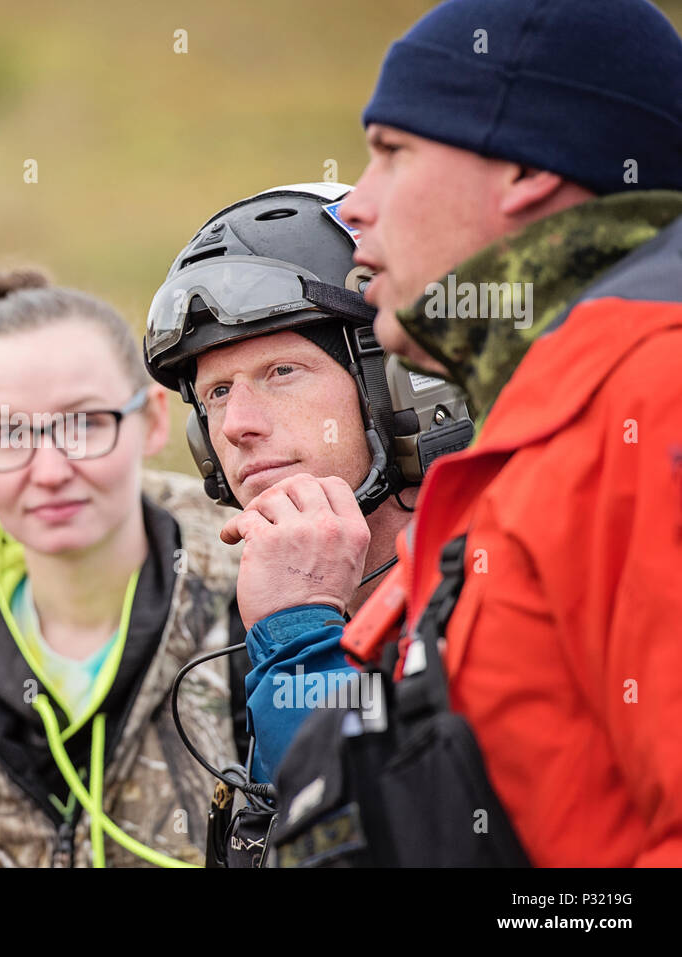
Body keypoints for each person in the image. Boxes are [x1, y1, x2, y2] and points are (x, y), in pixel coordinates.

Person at [242, 0, 682, 866]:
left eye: (392, 154)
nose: (354, 208)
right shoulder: (552, 413)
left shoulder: (649, 402)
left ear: (524, 168)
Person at [0, 268, 246, 867]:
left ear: (151, 419)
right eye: (8, 432)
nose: (48, 471)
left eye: (84, 423)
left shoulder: (258, 603)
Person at [143, 182, 470, 782]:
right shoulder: (244, 607)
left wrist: (300, 639)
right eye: (217, 393)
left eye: (282, 371)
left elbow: (379, 832)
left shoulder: (489, 600)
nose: (237, 425)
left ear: (402, 386)